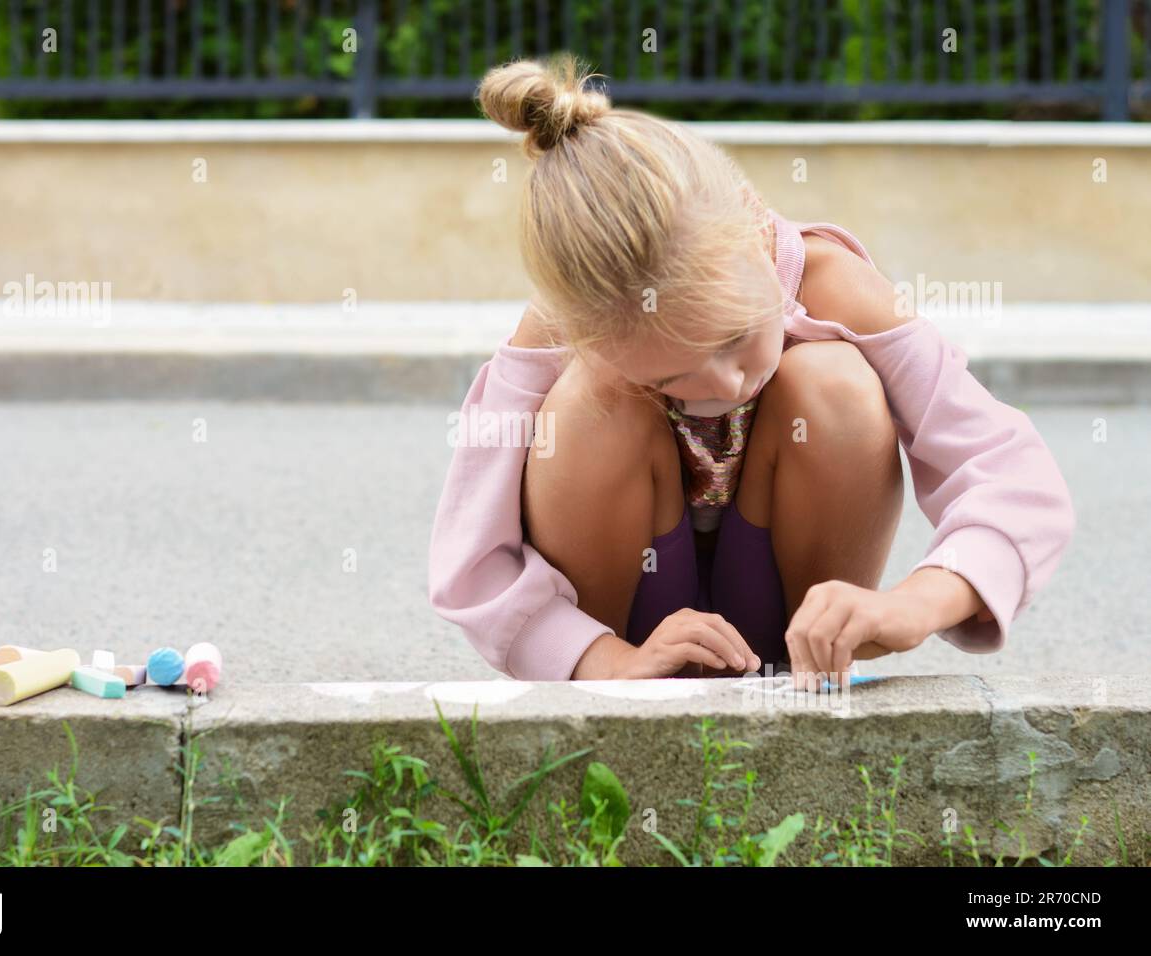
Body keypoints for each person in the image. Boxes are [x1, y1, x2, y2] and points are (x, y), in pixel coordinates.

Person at [428, 53, 1075, 690]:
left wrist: (913, 606)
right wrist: (601, 660)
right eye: (673, 378)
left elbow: (1015, 478)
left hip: (786, 627)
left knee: (833, 383)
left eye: (737, 338)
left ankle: (813, 671)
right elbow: (471, 557)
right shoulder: (564, 324)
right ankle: (613, 705)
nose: (727, 385)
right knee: (590, 401)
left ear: (756, 233)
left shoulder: (839, 288)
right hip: (625, 637)